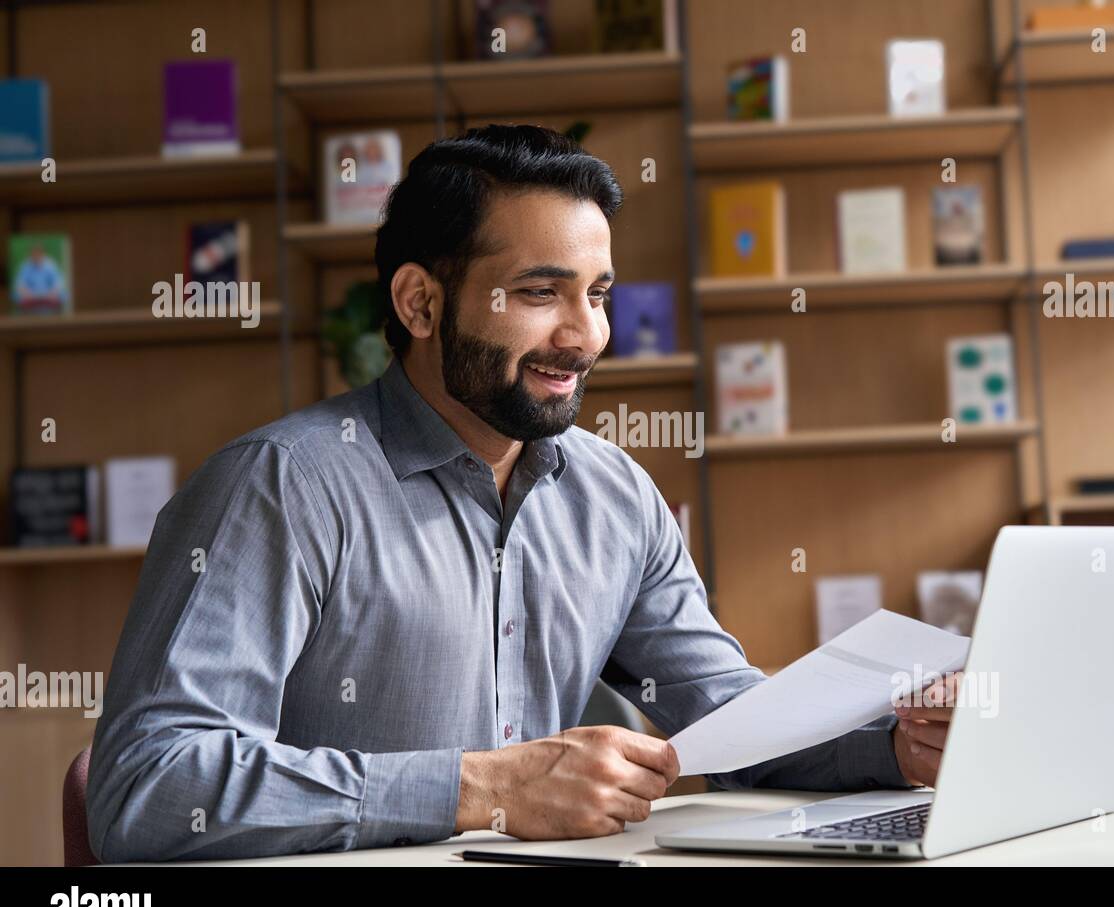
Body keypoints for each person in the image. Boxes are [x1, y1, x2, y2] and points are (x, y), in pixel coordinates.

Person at [86, 124, 956, 862]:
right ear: (421, 303)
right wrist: (480, 788)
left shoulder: (614, 495)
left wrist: (893, 749)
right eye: (541, 292)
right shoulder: (279, 488)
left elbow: (728, 721)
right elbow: (148, 785)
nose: (585, 337)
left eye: (599, 295)